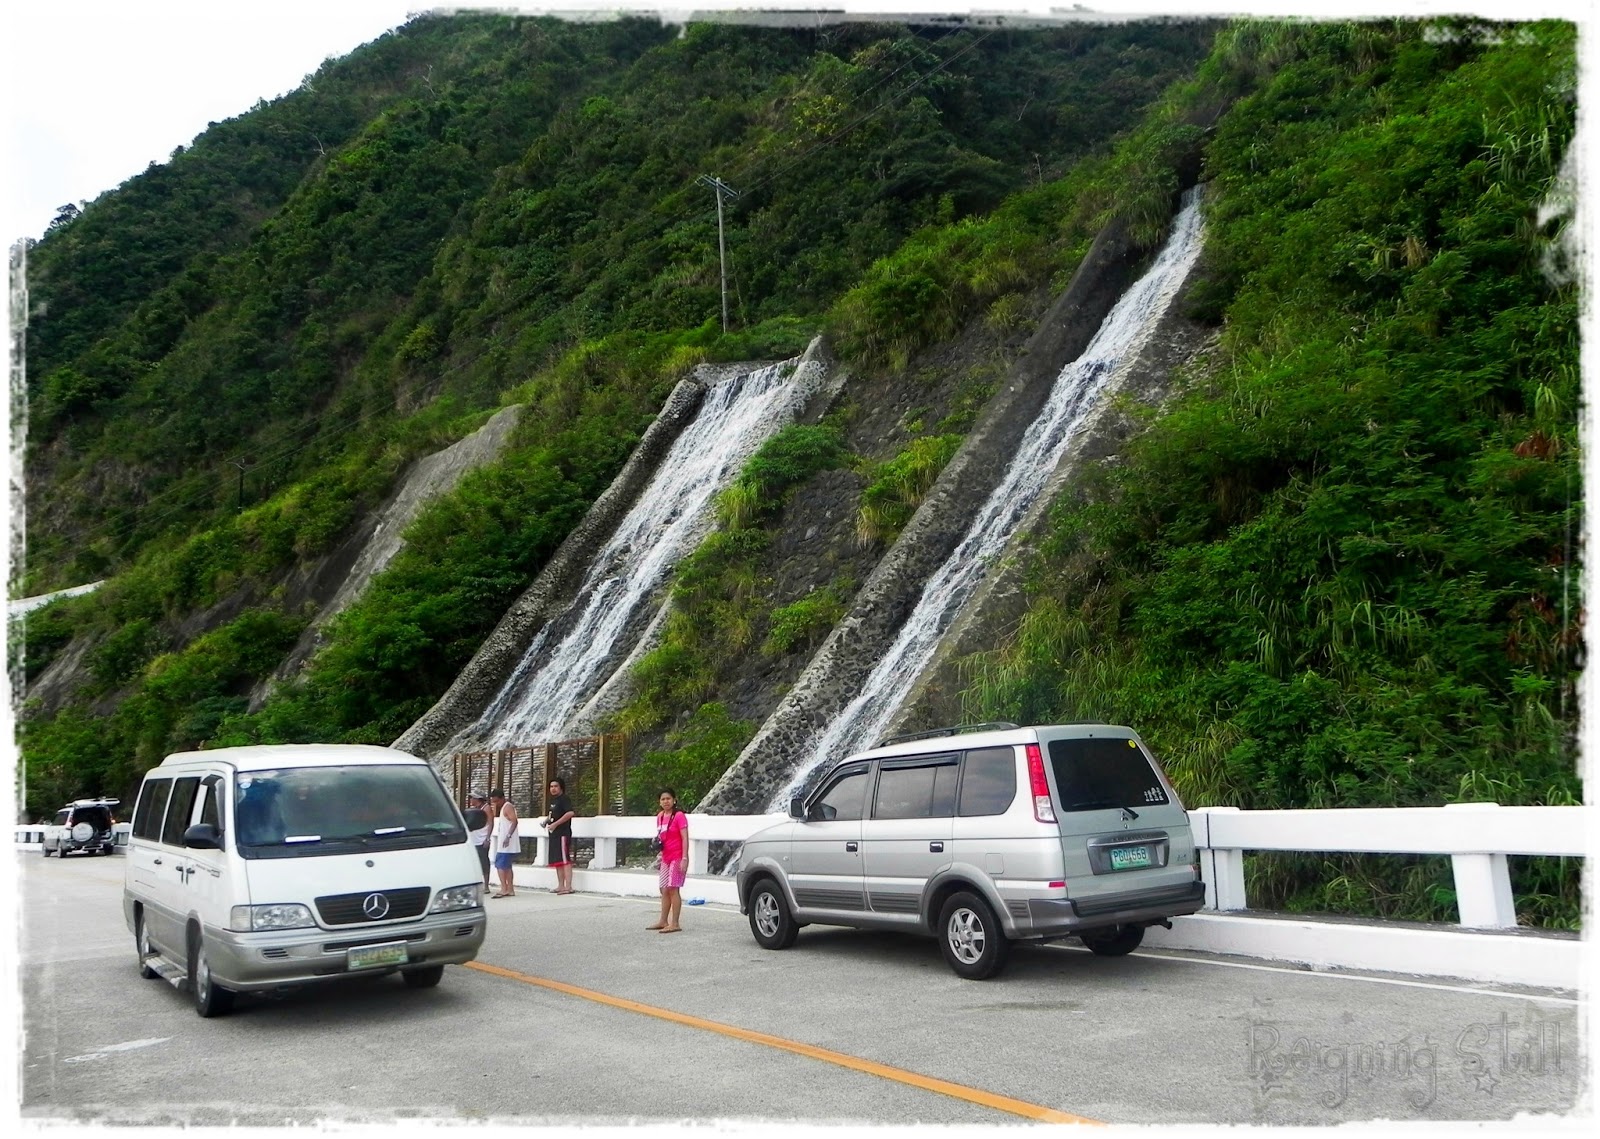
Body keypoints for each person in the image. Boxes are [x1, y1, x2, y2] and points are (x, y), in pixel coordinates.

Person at [648, 788, 688, 933]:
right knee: (664, 889)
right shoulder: (659, 816)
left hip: (677, 856)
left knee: (673, 888)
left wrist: (685, 857)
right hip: (666, 857)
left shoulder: (679, 816)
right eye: (663, 799)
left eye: (668, 799)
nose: (666, 801)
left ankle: (675, 923)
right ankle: (663, 920)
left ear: (674, 800)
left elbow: (684, 837)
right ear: (659, 802)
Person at [542, 778, 578, 895]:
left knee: (565, 859)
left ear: (561, 787)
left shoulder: (564, 799)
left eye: (555, 786)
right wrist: (547, 821)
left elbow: (570, 813)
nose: (553, 789)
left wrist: (556, 824)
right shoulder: (554, 801)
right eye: (551, 786)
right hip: (554, 834)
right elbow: (553, 815)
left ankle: (569, 886)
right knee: (558, 860)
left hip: (562, 833)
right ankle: (561, 885)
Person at [488, 789, 519, 898]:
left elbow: (514, 821)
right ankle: (509, 889)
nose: (496, 804)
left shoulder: (507, 807)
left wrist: (508, 836)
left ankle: (504, 888)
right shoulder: (504, 808)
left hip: (506, 843)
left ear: (502, 798)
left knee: (500, 865)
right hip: (505, 842)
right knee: (507, 866)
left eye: (497, 801)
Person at [464, 791, 491, 889]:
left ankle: (486, 886)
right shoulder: (474, 810)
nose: (471, 800)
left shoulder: (486, 808)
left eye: (473, 798)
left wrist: (487, 838)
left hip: (481, 839)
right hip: (474, 840)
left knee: (484, 862)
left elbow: (490, 823)